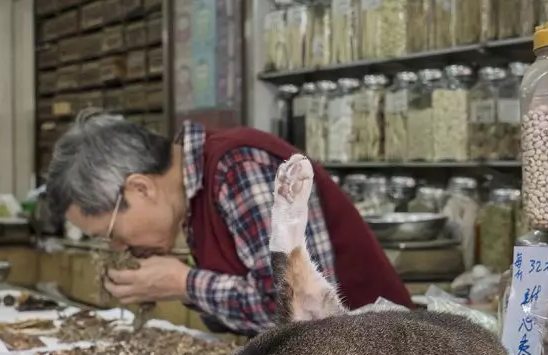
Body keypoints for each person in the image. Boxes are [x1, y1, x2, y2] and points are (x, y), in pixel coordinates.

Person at [46, 110, 412, 335]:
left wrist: (184, 283)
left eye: (110, 234)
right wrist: (179, 286)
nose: (117, 248)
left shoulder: (238, 167)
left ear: (140, 188)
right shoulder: (193, 201)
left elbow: (307, 308)